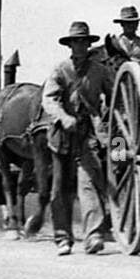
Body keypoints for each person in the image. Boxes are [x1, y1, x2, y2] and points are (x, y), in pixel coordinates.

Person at [41, 21, 114, 256]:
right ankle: (63, 238)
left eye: (84, 41)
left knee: (89, 182)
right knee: (60, 189)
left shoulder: (99, 70)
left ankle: (93, 236)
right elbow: (49, 100)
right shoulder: (60, 70)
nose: (80, 46)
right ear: (70, 45)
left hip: (87, 134)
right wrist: (63, 117)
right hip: (61, 135)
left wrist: (109, 122)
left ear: (89, 44)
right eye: (76, 42)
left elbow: (115, 96)